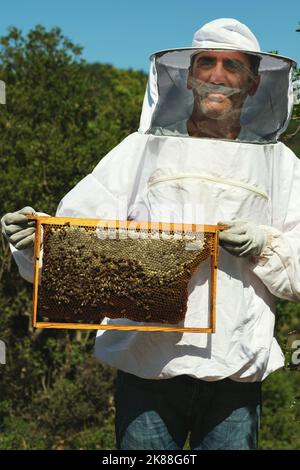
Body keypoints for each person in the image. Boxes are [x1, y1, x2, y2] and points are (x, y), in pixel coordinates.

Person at [1, 18, 300, 450]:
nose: (218, 76)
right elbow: (73, 240)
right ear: (188, 75)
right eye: (206, 63)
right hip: (146, 372)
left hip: (236, 374)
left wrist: (264, 246)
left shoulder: (281, 164)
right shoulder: (139, 150)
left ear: (254, 83)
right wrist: (36, 243)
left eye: (233, 66)